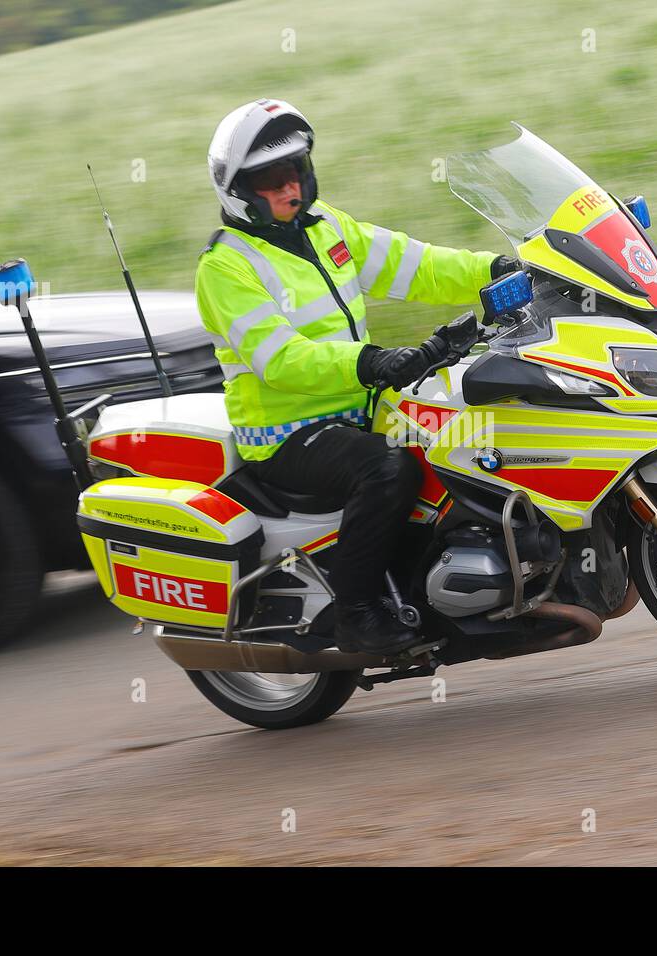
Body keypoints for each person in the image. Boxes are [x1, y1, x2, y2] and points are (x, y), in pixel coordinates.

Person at [196, 98, 517, 656]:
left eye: (295, 173)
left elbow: (416, 264)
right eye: (272, 181)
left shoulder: (326, 229)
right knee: (386, 468)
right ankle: (357, 613)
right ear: (240, 190)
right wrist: (370, 363)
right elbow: (281, 359)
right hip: (286, 434)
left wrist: (500, 267)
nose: (290, 190)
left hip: (360, 410)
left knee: (474, 432)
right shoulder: (225, 268)